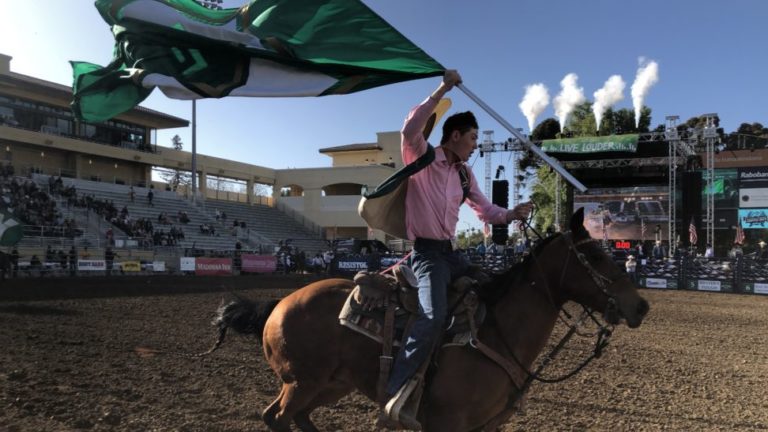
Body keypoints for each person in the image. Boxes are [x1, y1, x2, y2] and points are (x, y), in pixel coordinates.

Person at [381, 70, 533, 428]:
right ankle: (396, 389)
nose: (475, 144)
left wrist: (511, 214)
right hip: (427, 255)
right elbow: (409, 130)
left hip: (452, 255)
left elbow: (486, 210)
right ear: (455, 135)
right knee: (432, 317)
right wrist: (441, 89)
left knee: (495, 293)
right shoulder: (421, 156)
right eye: (473, 138)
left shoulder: (465, 174)